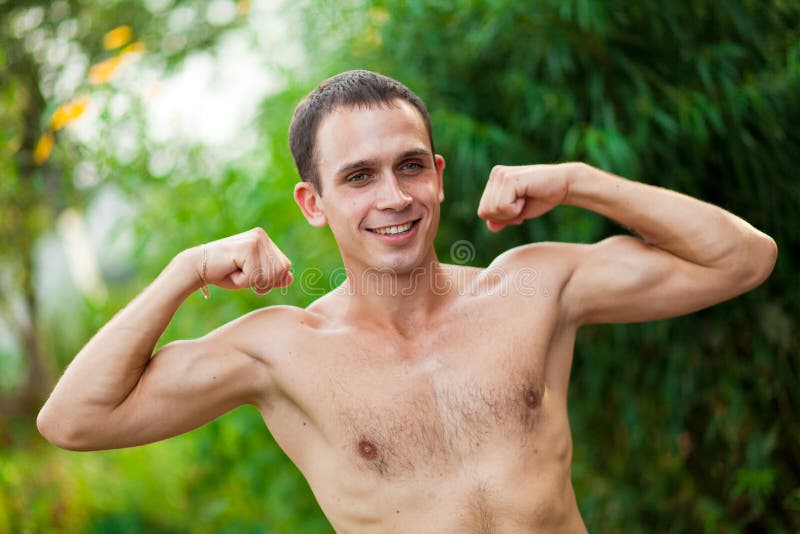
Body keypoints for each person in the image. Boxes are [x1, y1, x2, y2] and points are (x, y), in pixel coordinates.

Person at [37, 70, 777, 532]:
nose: (394, 197)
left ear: (440, 175)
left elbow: (744, 258)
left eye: (410, 166)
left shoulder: (530, 288)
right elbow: (73, 419)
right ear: (314, 202)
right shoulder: (281, 352)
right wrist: (185, 270)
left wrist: (580, 179)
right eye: (358, 176)